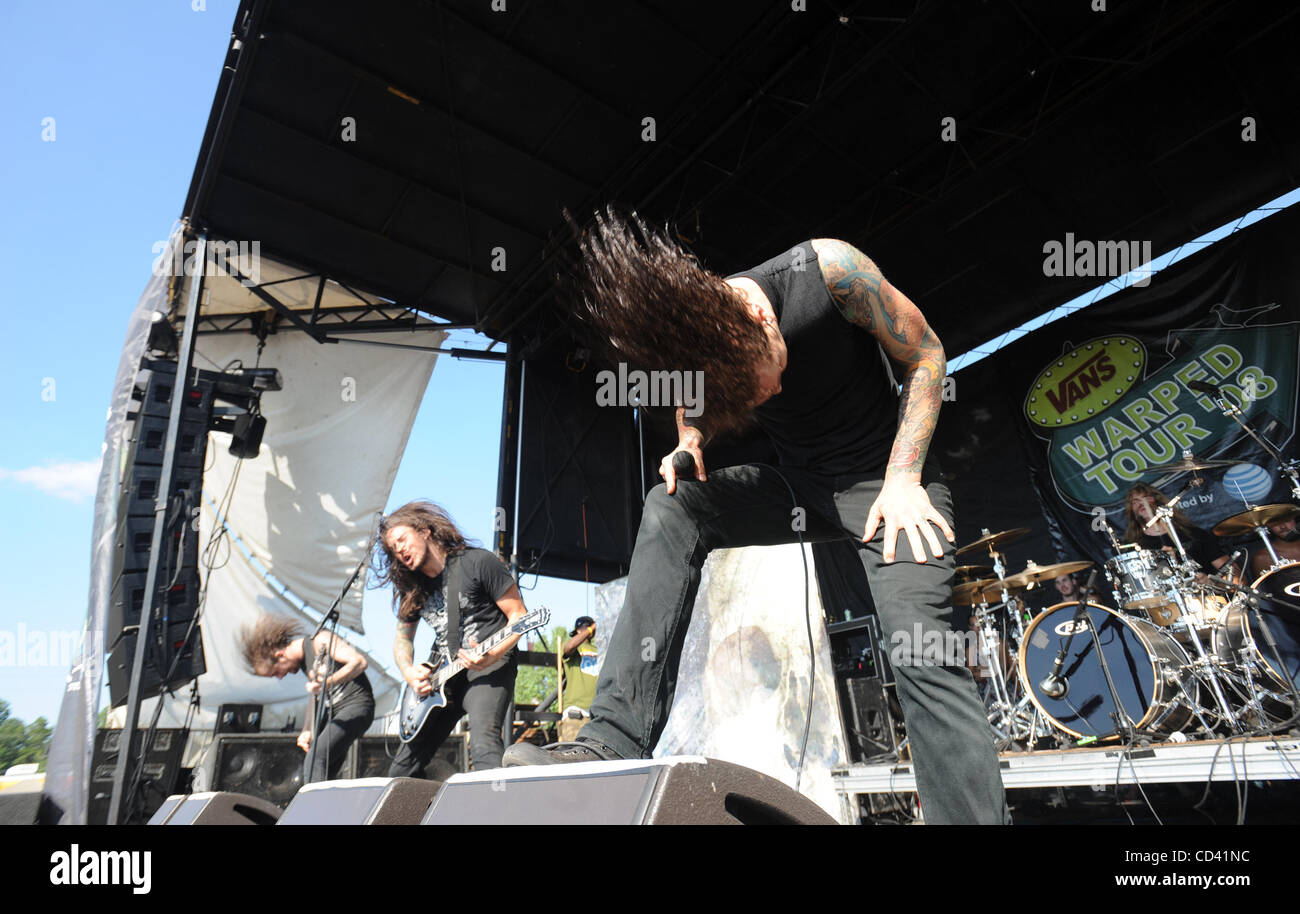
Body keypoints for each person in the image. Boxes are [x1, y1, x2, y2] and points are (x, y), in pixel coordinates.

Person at [503, 211, 1009, 825]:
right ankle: (609, 739)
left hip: (888, 485)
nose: (766, 396)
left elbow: (927, 356)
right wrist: (689, 445)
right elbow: (691, 408)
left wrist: (904, 476)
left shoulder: (830, 273)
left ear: (762, 319)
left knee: (918, 649)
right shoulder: (702, 340)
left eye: (760, 380)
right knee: (673, 501)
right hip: (801, 489)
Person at [374, 500, 527, 774]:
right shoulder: (413, 588)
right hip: (441, 681)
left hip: (489, 668)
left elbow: (520, 616)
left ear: (424, 530)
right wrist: (410, 673)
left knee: (483, 746)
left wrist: (491, 654)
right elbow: (402, 640)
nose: (401, 552)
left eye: (402, 540)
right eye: (394, 550)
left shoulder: (479, 562)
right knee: (401, 769)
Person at [238, 613, 374, 783]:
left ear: (280, 655)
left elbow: (359, 662)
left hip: (356, 706)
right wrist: (307, 729)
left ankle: (313, 807)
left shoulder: (320, 641)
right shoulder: (305, 662)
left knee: (315, 758)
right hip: (337, 714)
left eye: (276, 672)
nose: (281, 677)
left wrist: (329, 682)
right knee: (324, 770)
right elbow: (315, 695)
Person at [1124, 483, 1231, 575]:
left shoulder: (1192, 533)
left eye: (1146, 497)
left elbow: (1231, 575)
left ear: (1158, 501)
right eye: (1135, 501)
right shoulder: (1134, 547)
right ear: (1131, 510)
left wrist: (1210, 582)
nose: (1142, 503)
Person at [558, 616, 599, 742]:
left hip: (597, 714)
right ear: (577, 630)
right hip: (576, 714)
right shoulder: (571, 645)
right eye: (585, 628)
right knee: (570, 757)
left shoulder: (599, 649)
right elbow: (569, 647)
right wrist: (591, 629)